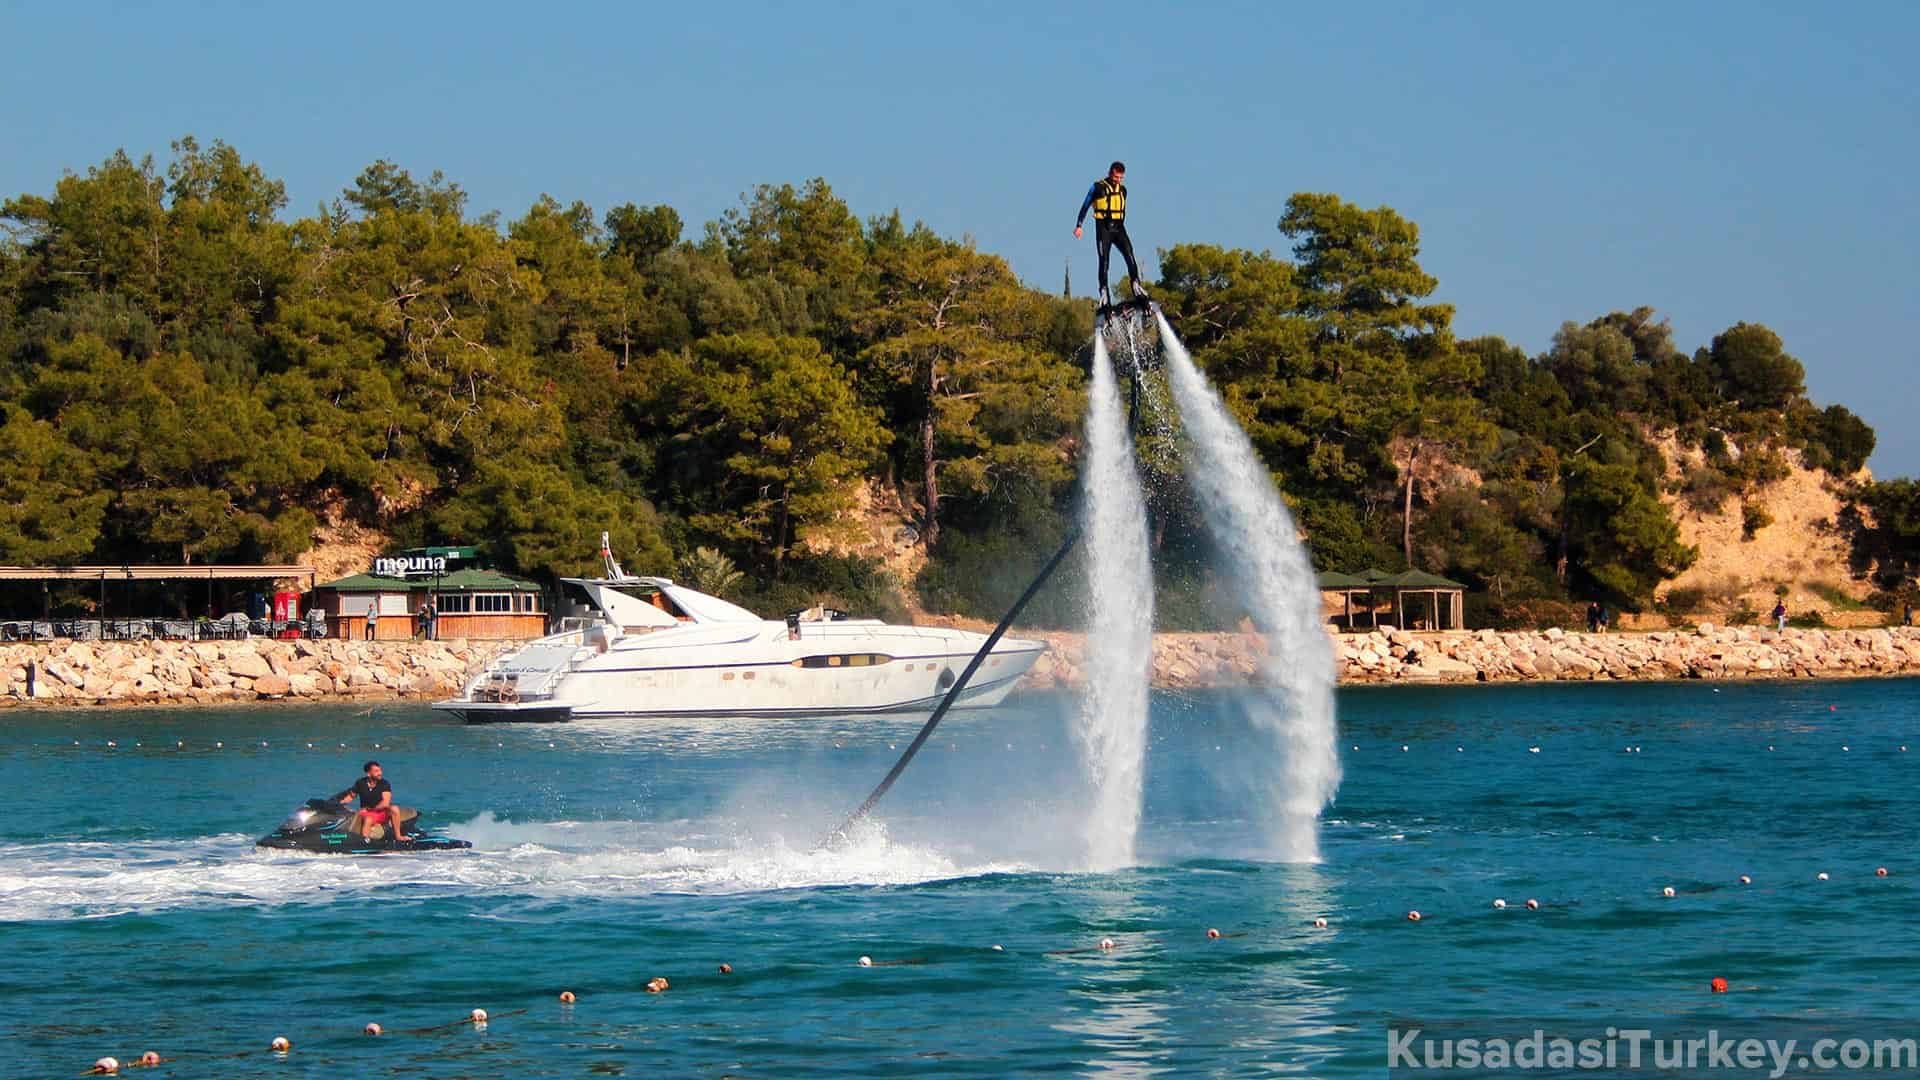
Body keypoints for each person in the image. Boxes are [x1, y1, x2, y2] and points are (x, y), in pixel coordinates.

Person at [1074, 161, 1145, 306]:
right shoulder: (1097, 187)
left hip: (1119, 228)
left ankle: (1136, 285)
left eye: (1120, 178)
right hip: (1103, 228)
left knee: (1129, 254)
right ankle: (1104, 292)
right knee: (1104, 261)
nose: (1117, 180)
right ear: (1110, 173)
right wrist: (1079, 225)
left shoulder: (1123, 190)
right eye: (1115, 177)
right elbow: (1085, 205)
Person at [334, 760, 413, 843]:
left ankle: (398, 836)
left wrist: (372, 809)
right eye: (376, 771)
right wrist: (338, 804)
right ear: (368, 773)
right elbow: (350, 797)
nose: (380, 773)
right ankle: (365, 842)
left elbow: (385, 802)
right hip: (367, 813)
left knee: (394, 808)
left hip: (380, 812)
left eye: (380, 770)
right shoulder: (360, 783)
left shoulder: (384, 783)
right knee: (368, 819)